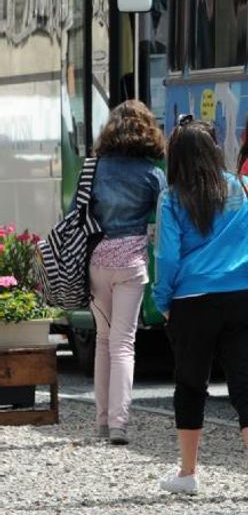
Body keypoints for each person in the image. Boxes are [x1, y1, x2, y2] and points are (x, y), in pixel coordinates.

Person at [154, 117, 248, 501]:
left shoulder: (172, 197)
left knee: (190, 384)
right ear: (216, 151)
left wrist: (162, 300)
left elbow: (166, 257)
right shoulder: (247, 188)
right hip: (244, 297)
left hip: (191, 301)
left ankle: (188, 472)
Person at [88, 100, 167, 445]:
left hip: (96, 261)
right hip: (131, 263)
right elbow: (162, 222)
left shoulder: (94, 168)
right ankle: (119, 423)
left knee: (103, 341)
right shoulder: (152, 174)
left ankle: (102, 421)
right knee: (124, 344)